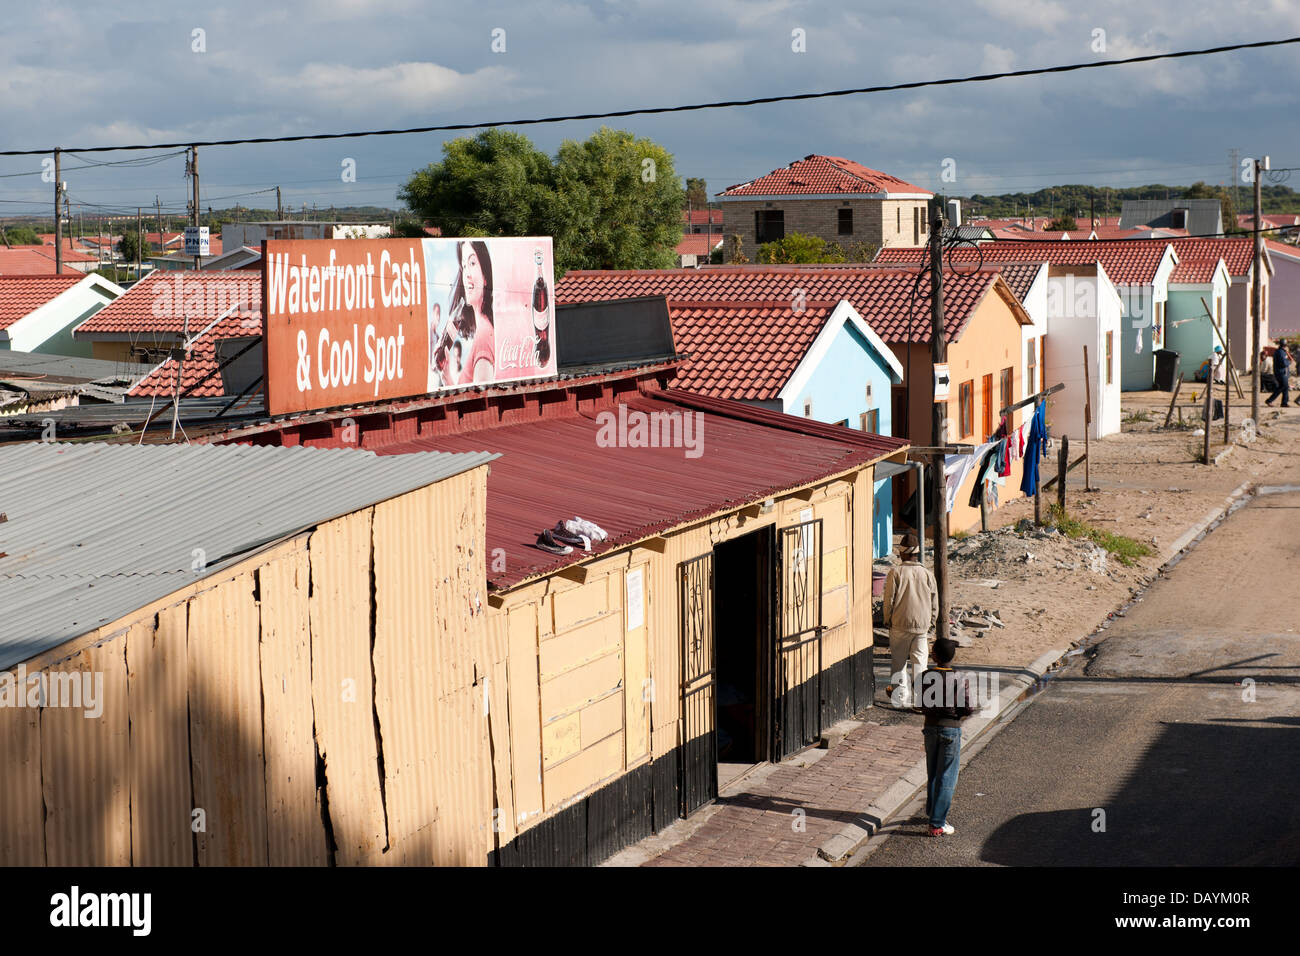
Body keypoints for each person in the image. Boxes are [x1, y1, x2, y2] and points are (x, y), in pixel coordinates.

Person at [919, 637, 977, 837]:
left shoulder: (926, 676)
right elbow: (968, 707)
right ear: (952, 657)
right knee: (947, 776)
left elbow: (919, 703)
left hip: (930, 728)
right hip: (951, 729)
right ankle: (937, 823)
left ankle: (932, 811)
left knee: (933, 773)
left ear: (934, 655)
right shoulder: (959, 678)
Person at [882, 533, 938, 709]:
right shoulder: (927, 574)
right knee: (920, 663)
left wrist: (887, 619)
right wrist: (931, 623)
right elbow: (935, 602)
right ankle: (921, 701)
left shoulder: (895, 573)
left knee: (898, 662)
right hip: (922, 625)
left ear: (902, 554)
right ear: (917, 553)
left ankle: (899, 698)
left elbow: (888, 600)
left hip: (899, 624)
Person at [1265, 341, 1291, 407]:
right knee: (1282, 387)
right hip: (1281, 373)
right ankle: (1269, 400)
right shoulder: (1281, 353)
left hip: (1280, 372)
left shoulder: (1279, 351)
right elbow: (1284, 363)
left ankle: (1284, 402)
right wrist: (1289, 362)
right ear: (1285, 345)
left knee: (1285, 387)